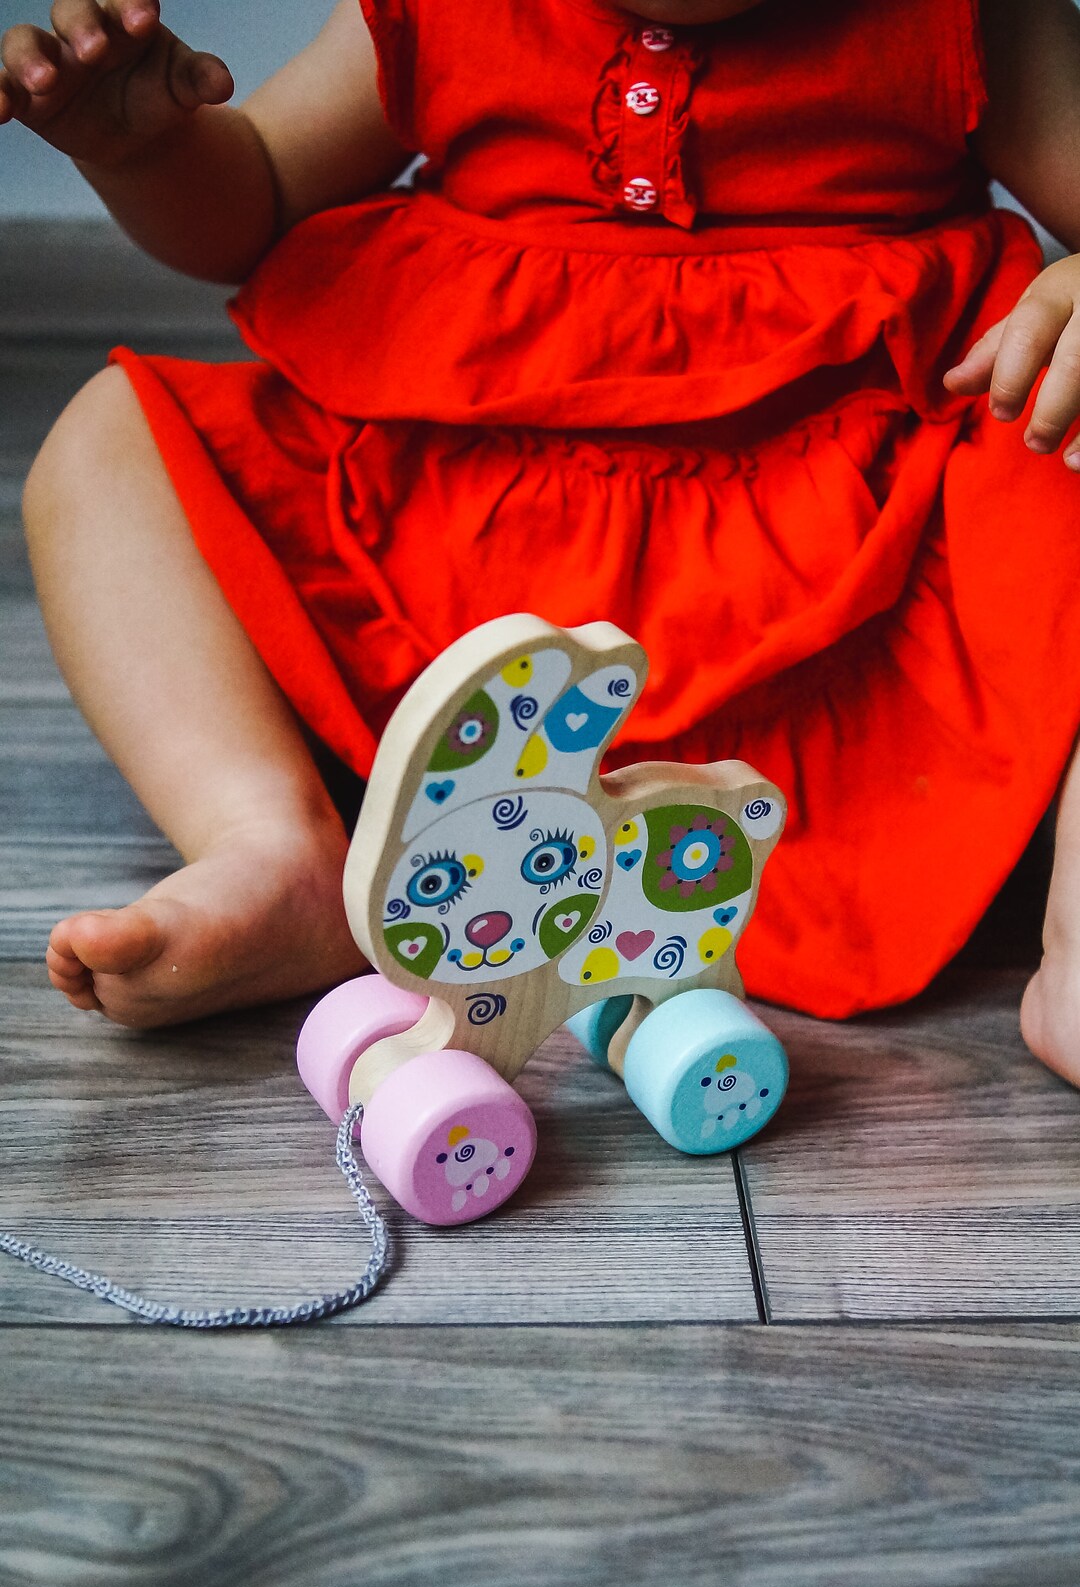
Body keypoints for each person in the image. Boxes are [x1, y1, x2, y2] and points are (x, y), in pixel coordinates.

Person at [3, 0, 1080, 1082]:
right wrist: (147, 150)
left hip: (854, 595)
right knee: (114, 440)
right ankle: (274, 842)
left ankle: (1076, 944)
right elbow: (262, 200)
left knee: (1068, 423)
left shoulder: (970, 17)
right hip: (448, 562)